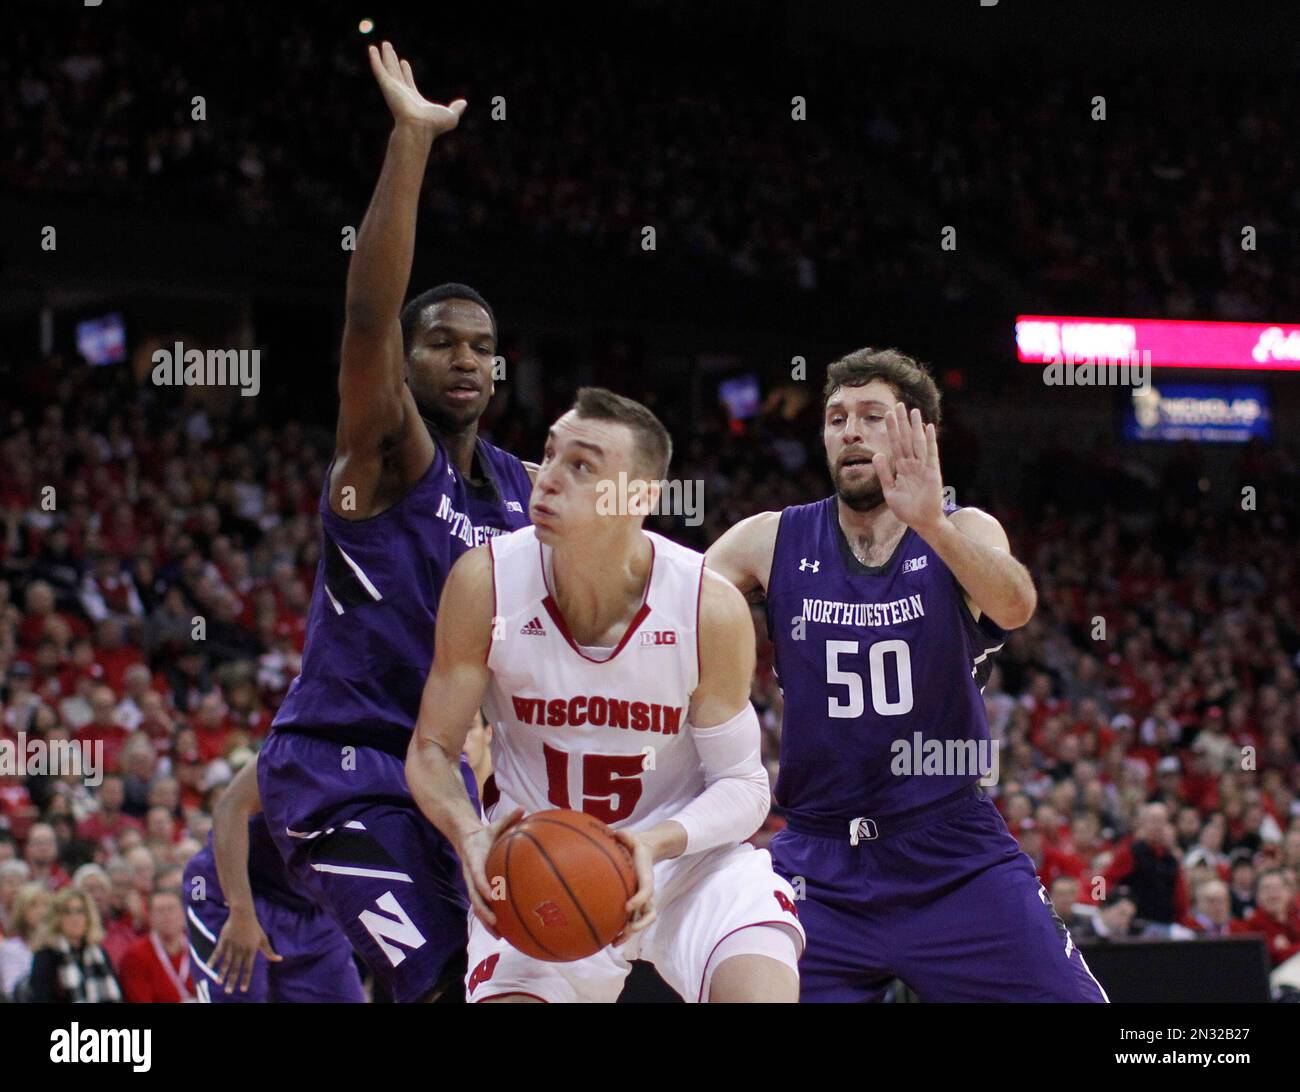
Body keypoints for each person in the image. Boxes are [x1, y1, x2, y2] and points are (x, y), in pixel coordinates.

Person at [257, 42, 532, 1003]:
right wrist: (412, 141)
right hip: (344, 775)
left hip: (443, 786)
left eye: (484, 348)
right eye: (442, 342)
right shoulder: (382, 460)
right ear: (407, 364)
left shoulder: (521, 491)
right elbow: (367, 317)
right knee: (446, 976)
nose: (466, 360)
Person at [706, 348, 1107, 1002]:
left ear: (919, 433)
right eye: (836, 418)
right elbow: (670, 604)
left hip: (951, 855)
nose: (850, 431)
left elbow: (1016, 605)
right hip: (818, 864)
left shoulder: (965, 530)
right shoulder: (770, 539)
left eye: (872, 415)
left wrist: (930, 522)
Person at [408, 388, 804, 1004]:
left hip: (686, 863)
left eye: (582, 466)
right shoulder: (484, 583)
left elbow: (746, 788)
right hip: (537, 864)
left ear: (638, 498)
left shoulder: (707, 607)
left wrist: (654, 843)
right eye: (549, 454)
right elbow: (432, 747)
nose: (547, 479)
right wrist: (468, 832)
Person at [185, 756, 364, 1003]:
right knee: (238, 995)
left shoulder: (407, 770)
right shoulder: (307, 747)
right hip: (233, 887)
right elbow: (228, 809)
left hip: (308, 902)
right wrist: (241, 911)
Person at [26, 886, 121, 1003]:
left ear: (88, 917)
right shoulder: (46, 956)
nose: (74, 918)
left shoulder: (100, 954)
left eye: (80, 911)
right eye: (67, 912)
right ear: (57, 918)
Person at [117, 888, 195, 1003]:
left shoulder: (198, 950)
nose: (167, 915)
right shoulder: (135, 956)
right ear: (150, 917)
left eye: (171, 909)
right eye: (160, 910)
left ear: (183, 913)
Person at [0, 881, 49, 998]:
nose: (41, 911)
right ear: (22, 911)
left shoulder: (59, 945)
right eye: (33, 905)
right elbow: (12, 993)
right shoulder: (12, 949)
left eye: (45, 905)